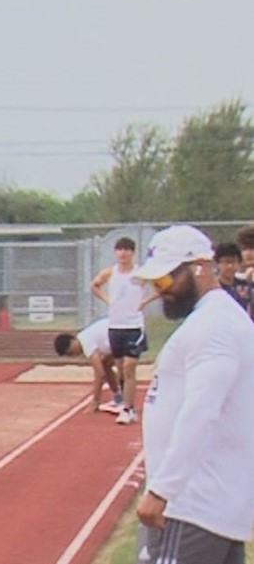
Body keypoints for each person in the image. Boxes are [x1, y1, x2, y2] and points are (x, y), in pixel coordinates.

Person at [131, 225, 254, 564]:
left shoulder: (213, 326)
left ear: (199, 267)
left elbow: (202, 411)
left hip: (189, 507)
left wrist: (162, 490)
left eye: (167, 280)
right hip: (206, 505)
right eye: (156, 283)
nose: (162, 291)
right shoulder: (215, 320)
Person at [89, 237, 158, 425]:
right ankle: (128, 406)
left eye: (127, 250)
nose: (123, 253)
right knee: (120, 369)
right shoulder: (110, 272)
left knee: (129, 368)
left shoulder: (140, 273)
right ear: (115, 252)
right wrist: (107, 300)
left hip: (134, 327)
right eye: (119, 249)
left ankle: (127, 409)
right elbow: (94, 285)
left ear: (133, 253)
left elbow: (163, 285)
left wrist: (145, 301)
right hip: (115, 327)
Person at [53, 317, 124, 414]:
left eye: (71, 352)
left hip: (124, 335)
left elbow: (100, 373)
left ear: (72, 341)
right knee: (105, 364)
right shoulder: (86, 338)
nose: (74, 355)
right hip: (117, 338)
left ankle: (126, 404)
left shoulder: (85, 341)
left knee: (122, 367)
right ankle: (118, 398)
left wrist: (95, 401)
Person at [213, 241, 251, 313]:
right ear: (217, 263)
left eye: (233, 262)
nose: (230, 266)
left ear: (239, 263)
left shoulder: (244, 285)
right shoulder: (212, 288)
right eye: (226, 262)